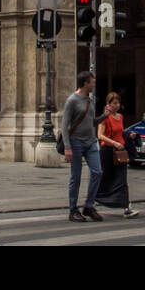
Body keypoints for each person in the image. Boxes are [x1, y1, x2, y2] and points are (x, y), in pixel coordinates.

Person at [62, 70, 101, 222]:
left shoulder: (90, 100)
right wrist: (67, 147)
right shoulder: (72, 100)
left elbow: (92, 122)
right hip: (76, 142)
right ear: (85, 83)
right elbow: (64, 126)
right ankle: (73, 210)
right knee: (76, 177)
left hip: (90, 141)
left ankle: (89, 206)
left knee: (97, 172)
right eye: (92, 82)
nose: (94, 84)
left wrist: (105, 115)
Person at [95, 92, 139, 219]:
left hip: (120, 152)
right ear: (108, 104)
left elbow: (120, 132)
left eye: (118, 103)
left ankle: (126, 208)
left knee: (122, 179)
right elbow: (100, 135)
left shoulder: (120, 117)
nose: (117, 105)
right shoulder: (105, 118)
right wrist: (114, 142)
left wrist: (129, 135)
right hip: (107, 151)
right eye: (114, 103)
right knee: (104, 177)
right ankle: (95, 199)